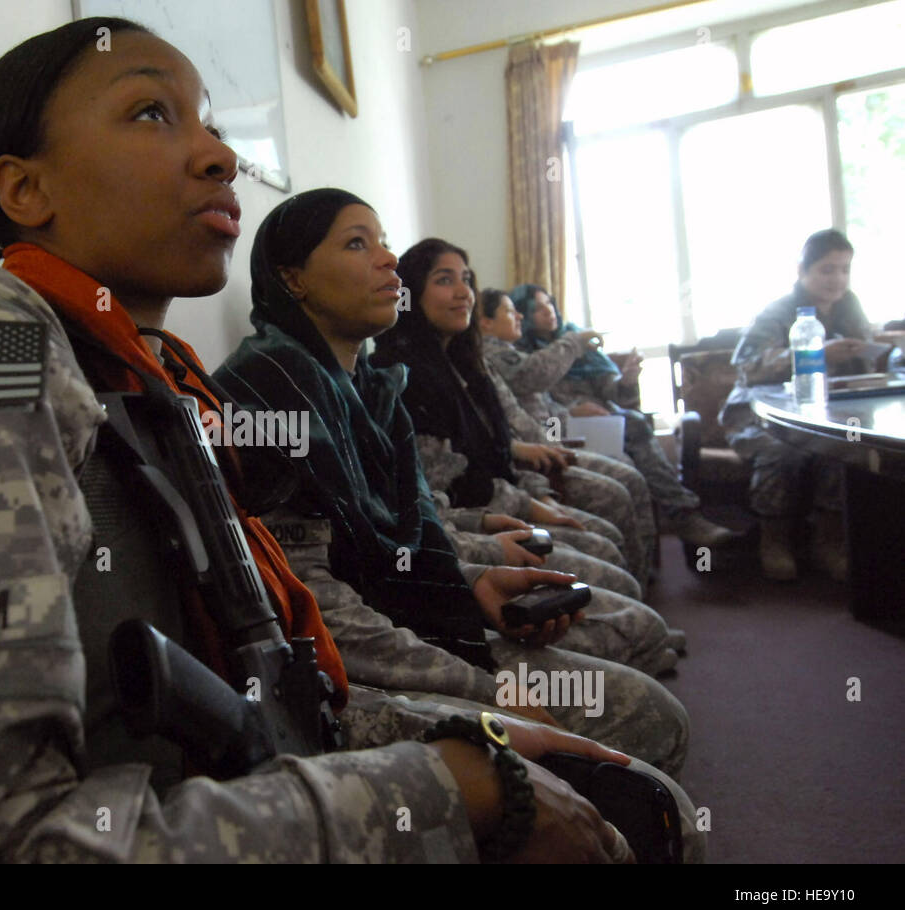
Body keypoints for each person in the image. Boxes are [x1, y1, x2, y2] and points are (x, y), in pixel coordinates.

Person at [0, 19, 640, 864]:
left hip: (176, 781)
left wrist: (464, 745)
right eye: (151, 113)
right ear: (25, 187)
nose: (219, 158)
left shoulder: (156, 382)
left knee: (622, 791)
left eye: (213, 125)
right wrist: (442, 788)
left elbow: (261, 691)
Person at [214, 189, 692, 777]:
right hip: (351, 669)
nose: (388, 259)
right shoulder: (267, 394)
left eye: (384, 241)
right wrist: (486, 689)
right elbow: (316, 608)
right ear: (293, 278)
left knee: (649, 694)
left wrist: (472, 578)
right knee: (652, 722)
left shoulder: (371, 387)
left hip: (429, 619)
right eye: (357, 243)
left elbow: (411, 533)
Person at [374, 239, 658, 594]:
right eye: (445, 280)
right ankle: (640, 626)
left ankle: (645, 613)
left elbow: (501, 449)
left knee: (615, 513)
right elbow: (455, 487)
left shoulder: (465, 361)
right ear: (411, 293)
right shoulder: (403, 375)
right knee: (606, 545)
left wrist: (538, 494)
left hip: (512, 491)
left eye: (466, 279)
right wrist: (535, 504)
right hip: (472, 523)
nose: (464, 292)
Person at [485, 284, 734, 550]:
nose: (549, 312)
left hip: (593, 420)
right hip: (564, 429)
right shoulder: (530, 355)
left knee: (634, 426)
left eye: (550, 304)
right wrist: (569, 411)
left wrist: (624, 381)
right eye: (538, 308)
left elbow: (613, 392)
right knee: (628, 458)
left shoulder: (571, 341)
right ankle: (682, 518)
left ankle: (677, 523)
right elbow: (540, 405)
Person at [721, 228, 873, 581]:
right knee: (783, 450)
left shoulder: (850, 307)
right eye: (826, 269)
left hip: (824, 411)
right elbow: (747, 367)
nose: (837, 279)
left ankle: (829, 540)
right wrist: (814, 353)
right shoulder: (778, 313)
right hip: (759, 417)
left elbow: (866, 354)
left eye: (844, 269)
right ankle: (774, 541)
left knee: (844, 447)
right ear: (803, 272)